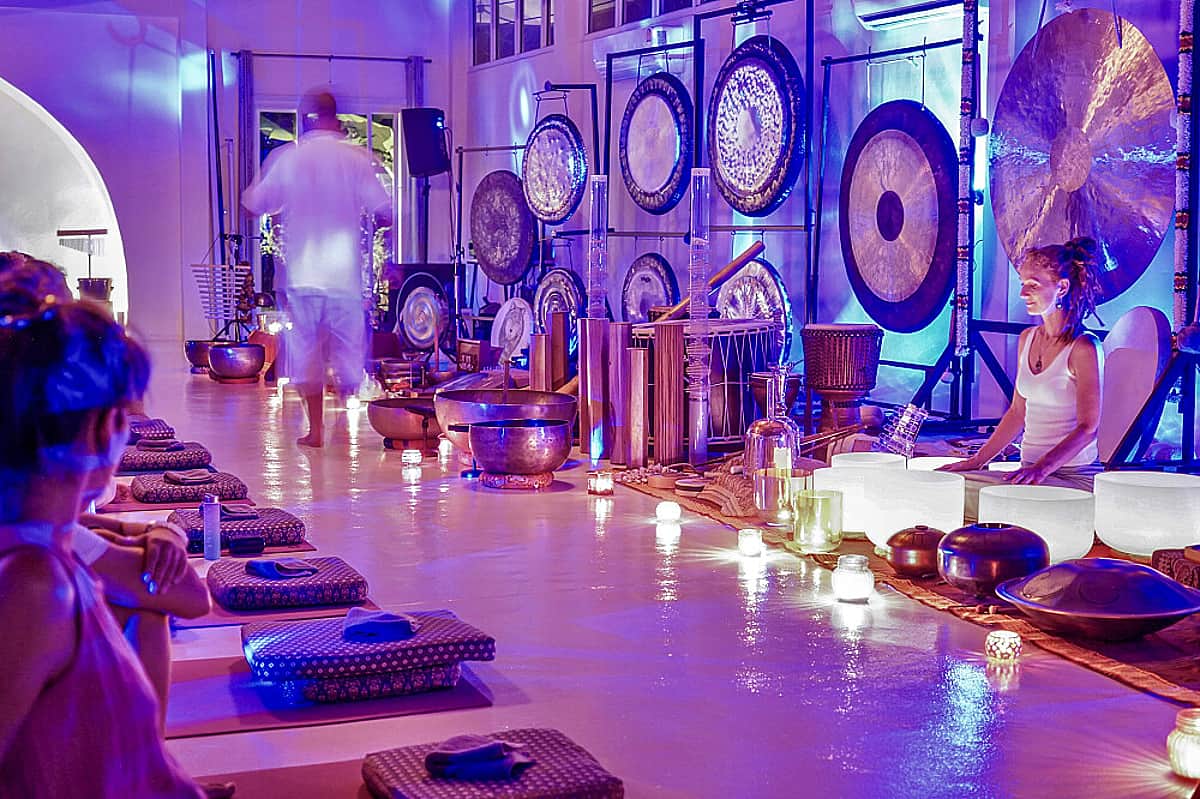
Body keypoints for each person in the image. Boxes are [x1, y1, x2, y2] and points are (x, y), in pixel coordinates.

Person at [0, 293, 210, 796]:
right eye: (125, 418)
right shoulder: (34, 583)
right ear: (102, 428)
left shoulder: (50, 543)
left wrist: (162, 533)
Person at [242, 88, 393, 447]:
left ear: (308, 118)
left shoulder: (290, 158)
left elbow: (255, 204)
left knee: (307, 353)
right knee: (347, 356)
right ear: (336, 117)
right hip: (343, 276)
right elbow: (385, 211)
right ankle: (344, 424)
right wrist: (385, 254)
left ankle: (317, 431)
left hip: (304, 274)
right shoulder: (356, 158)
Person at [940, 237, 1104, 519]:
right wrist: (977, 460)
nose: (1023, 293)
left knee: (993, 504)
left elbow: (1089, 427)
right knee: (945, 488)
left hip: (1071, 479)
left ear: (1062, 287)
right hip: (1028, 474)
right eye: (1022, 282)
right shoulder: (1027, 338)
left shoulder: (1084, 347)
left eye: (1034, 284)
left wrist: (1041, 468)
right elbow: (1017, 412)